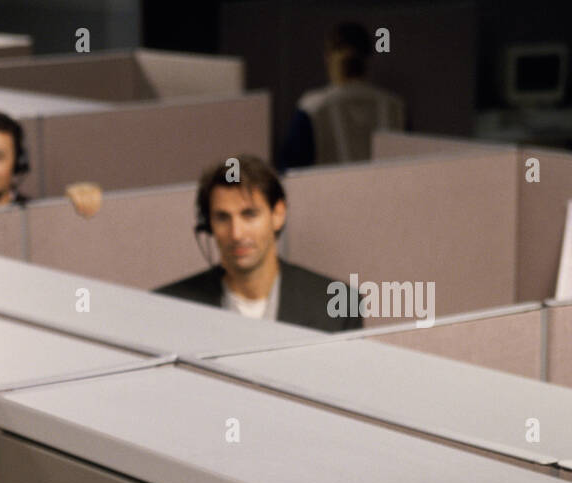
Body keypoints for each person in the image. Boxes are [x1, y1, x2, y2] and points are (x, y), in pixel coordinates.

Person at [154, 155, 361, 332]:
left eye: (249, 214)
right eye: (223, 218)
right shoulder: (168, 308)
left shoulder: (340, 305)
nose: (236, 233)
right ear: (209, 225)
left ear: (278, 214)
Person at [279, 21, 406, 169]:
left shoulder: (312, 108)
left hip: (327, 190)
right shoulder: (395, 107)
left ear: (328, 57)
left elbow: (290, 170)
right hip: (389, 190)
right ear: (367, 57)